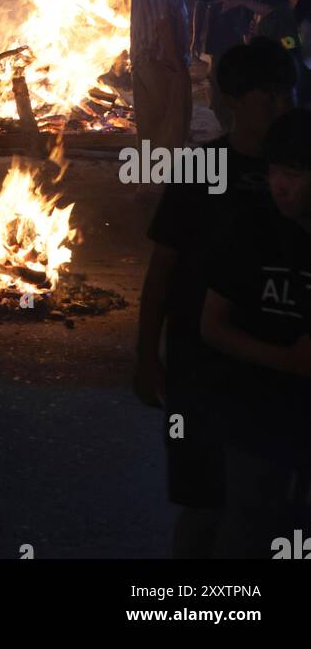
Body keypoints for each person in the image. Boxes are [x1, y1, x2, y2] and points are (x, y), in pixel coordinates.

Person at [134, 39, 297, 558]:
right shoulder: (200, 169)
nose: (279, 106)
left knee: (265, 509)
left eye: (285, 93)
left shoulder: (300, 178)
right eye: (266, 95)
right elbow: (162, 270)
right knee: (203, 506)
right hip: (198, 367)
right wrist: (145, 356)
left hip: (274, 374)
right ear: (232, 97)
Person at [201, 109, 311, 557]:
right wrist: (288, 361)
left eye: (293, 173)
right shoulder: (251, 229)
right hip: (257, 416)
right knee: (246, 529)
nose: (278, 184)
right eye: (273, 171)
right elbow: (211, 325)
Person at [191, 0, 267, 129]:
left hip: (248, 41)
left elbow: (267, 10)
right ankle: (227, 129)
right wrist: (196, 36)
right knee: (217, 87)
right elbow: (200, 2)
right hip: (218, 38)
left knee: (245, 88)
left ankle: (244, 129)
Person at [130, 0, 191, 159]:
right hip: (160, 62)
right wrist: (176, 64)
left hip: (146, 59)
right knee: (170, 125)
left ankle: (148, 185)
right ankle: (163, 187)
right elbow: (162, 23)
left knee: (150, 126)